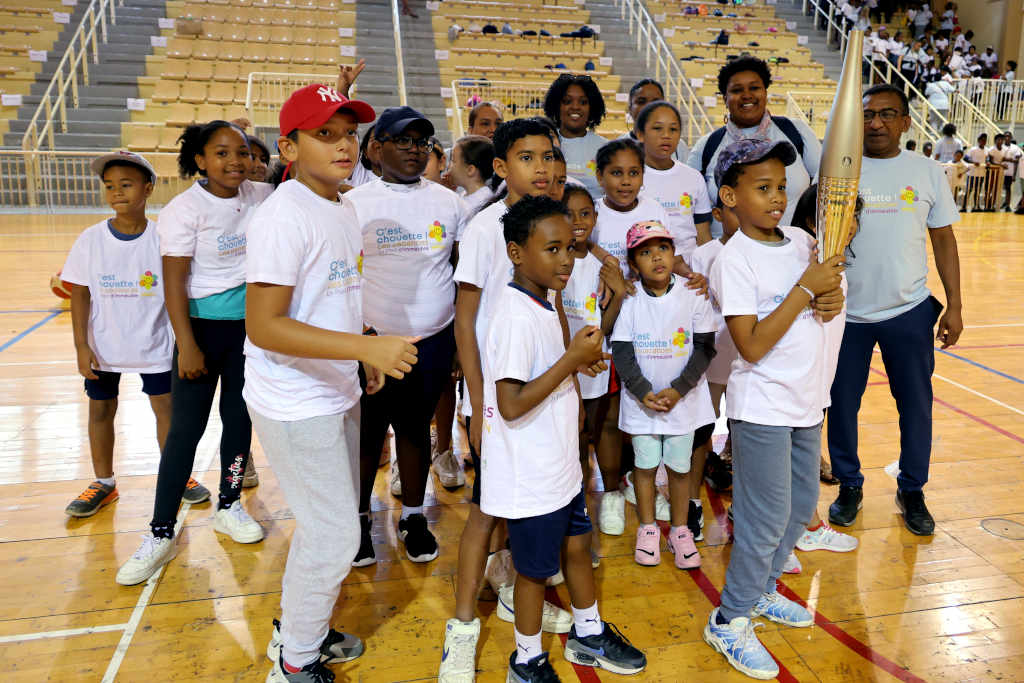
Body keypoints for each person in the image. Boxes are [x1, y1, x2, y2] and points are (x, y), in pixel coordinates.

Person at [243, 84, 414, 683]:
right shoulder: (282, 217)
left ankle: (299, 630)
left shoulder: (340, 204)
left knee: (330, 526)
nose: (343, 144)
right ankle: (294, 662)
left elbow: (330, 296)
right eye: (325, 134)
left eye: (348, 132)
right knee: (337, 535)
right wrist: (365, 346)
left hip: (332, 387)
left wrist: (359, 342)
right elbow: (264, 325)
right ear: (289, 146)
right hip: (294, 401)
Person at [484, 194, 646, 681]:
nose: (565, 260)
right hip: (528, 474)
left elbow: (548, 376)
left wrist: (575, 366)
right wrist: (570, 363)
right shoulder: (513, 315)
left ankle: (588, 631)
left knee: (578, 546)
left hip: (558, 466)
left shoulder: (542, 303)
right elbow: (511, 403)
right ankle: (527, 659)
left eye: (570, 248)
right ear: (517, 253)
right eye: (551, 249)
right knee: (533, 571)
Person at [704, 139, 844, 680]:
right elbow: (752, 345)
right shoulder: (733, 258)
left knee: (798, 508)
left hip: (806, 400)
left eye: (782, 186)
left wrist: (824, 294)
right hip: (761, 405)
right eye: (762, 188)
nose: (776, 197)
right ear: (729, 195)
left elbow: (826, 299)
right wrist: (805, 292)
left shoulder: (803, 241)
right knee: (763, 522)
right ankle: (729, 618)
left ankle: (760, 591)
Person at [439, 119, 573, 683]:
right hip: (500, 395)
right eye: (526, 157)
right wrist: (473, 404)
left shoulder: (554, 224)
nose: (541, 168)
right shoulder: (483, 229)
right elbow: (465, 321)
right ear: (501, 167)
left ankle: (520, 589)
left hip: (545, 395)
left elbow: (555, 305)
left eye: (548, 156)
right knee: (487, 512)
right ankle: (462, 630)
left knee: (539, 504)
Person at [116, 121, 273, 586]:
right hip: (200, 332)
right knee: (185, 431)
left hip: (251, 331)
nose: (235, 162)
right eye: (221, 153)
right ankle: (160, 532)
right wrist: (185, 343)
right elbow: (174, 282)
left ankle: (229, 504)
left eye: (242, 152)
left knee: (240, 421)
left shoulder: (262, 196)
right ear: (200, 160)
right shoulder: (185, 209)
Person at [828, 84, 962, 537]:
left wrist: (955, 306)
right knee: (842, 406)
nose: (876, 123)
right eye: (868, 114)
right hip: (845, 316)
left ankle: (913, 488)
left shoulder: (926, 172)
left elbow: (944, 240)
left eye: (888, 114)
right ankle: (849, 484)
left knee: (916, 405)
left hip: (909, 310)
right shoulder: (839, 170)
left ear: (906, 122)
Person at [345, 107, 467, 566]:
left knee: (416, 432)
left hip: (430, 340)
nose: (415, 149)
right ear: (376, 148)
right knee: (365, 436)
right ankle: (358, 520)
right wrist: (358, 340)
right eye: (403, 141)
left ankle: (414, 516)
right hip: (369, 342)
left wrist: (455, 340)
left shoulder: (448, 202)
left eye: (423, 141)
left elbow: (458, 272)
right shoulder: (355, 202)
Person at [61, 152, 186, 518]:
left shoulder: (163, 237)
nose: (116, 192)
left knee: (166, 409)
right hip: (104, 346)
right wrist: (82, 345)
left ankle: (176, 474)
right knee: (100, 409)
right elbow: (79, 292)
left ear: (148, 188)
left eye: (126, 185)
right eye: (109, 186)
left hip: (155, 344)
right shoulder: (91, 239)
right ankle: (104, 482)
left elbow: (177, 290)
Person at [610, 221, 716, 570]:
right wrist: (642, 392)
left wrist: (678, 389)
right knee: (644, 465)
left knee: (679, 467)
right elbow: (622, 352)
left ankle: (681, 529)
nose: (656, 257)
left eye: (663, 249)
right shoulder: (630, 299)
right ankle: (648, 528)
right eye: (645, 252)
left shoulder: (693, 293)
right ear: (633, 262)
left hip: (681, 404)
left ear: (674, 253)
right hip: (643, 406)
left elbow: (704, 348)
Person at [687, 56, 821, 238]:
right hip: (730, 257)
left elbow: (822, 189)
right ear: (725, 98)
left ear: (765, 92)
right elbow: (690, 207)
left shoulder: (796, 132)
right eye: (736, 90)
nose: (747, 95)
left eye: (754, 88)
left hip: (793, 255)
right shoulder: (707, 146)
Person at [561, 184, 624, 562]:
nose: (578, 221)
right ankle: (573, 521)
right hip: (559, 370)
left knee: (591, 436)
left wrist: (616, 297)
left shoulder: (604, 267)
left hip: (595, 368)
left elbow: (606, 325)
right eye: (569, 214)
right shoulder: (554, 261)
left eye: (586, 214)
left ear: (595, 219)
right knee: (569, 449)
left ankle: (587, 514)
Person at [635, 101, 713, 260]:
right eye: (657, 128)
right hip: (647, 266)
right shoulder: (631, 178)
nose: (666, 135)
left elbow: (703, 236)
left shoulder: (694, 178)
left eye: (673, 129)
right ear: (640, 134)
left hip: (689, 268)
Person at [543, 73, 608, 197]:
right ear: (557, 106)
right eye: (567, 101)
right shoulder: (544, 143)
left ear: (592, 107)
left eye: (583, 102)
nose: (575, 107)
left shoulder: (605, 147)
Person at [621, 79, 688, 160]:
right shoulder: (618, 146)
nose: (648, 107)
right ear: (630, 109)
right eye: (641, 101)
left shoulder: (678, 147)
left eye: (656, 102)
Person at [963, 132, 989, 212]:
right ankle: (964, 207)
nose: (983, 142)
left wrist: (988, 162)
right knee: (969, 190)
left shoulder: (986, 150)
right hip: (972, 173)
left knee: (977, 191)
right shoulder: (973, 149)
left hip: (981, 174)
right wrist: (973, 162)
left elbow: (987, 158)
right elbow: (966, 158)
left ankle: (976, 206)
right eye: (982, 140)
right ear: (978, 140)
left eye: (985, 140)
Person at [998, 132, 1021, 210]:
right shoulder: (1000, 146)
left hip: (1009, 172)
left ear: (1011, 138)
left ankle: (1007, 205)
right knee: (998, 188)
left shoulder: (1015, 148)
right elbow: (999, 158)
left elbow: (1017, 160)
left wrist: (1014, 175)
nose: (1007, 138)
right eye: (1006, 136)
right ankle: (996, 204)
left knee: (1008, 188)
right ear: (1004, 138)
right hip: (1000, 171)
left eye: (1009, 137)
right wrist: (1009, 159)